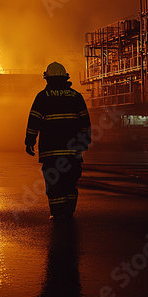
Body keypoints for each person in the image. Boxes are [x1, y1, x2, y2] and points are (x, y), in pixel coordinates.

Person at [25, 62, 91, 220]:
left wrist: (29, 141)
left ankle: (57, 215)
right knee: (70, 183)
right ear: (65, 78)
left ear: (47, 79)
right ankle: (69, 212)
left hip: (51, 152)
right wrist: (85, 142)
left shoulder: (42, 97)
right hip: (73, 153)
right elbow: (85, 122)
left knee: (54, 184)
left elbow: (33, 120)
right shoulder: (76, 96)